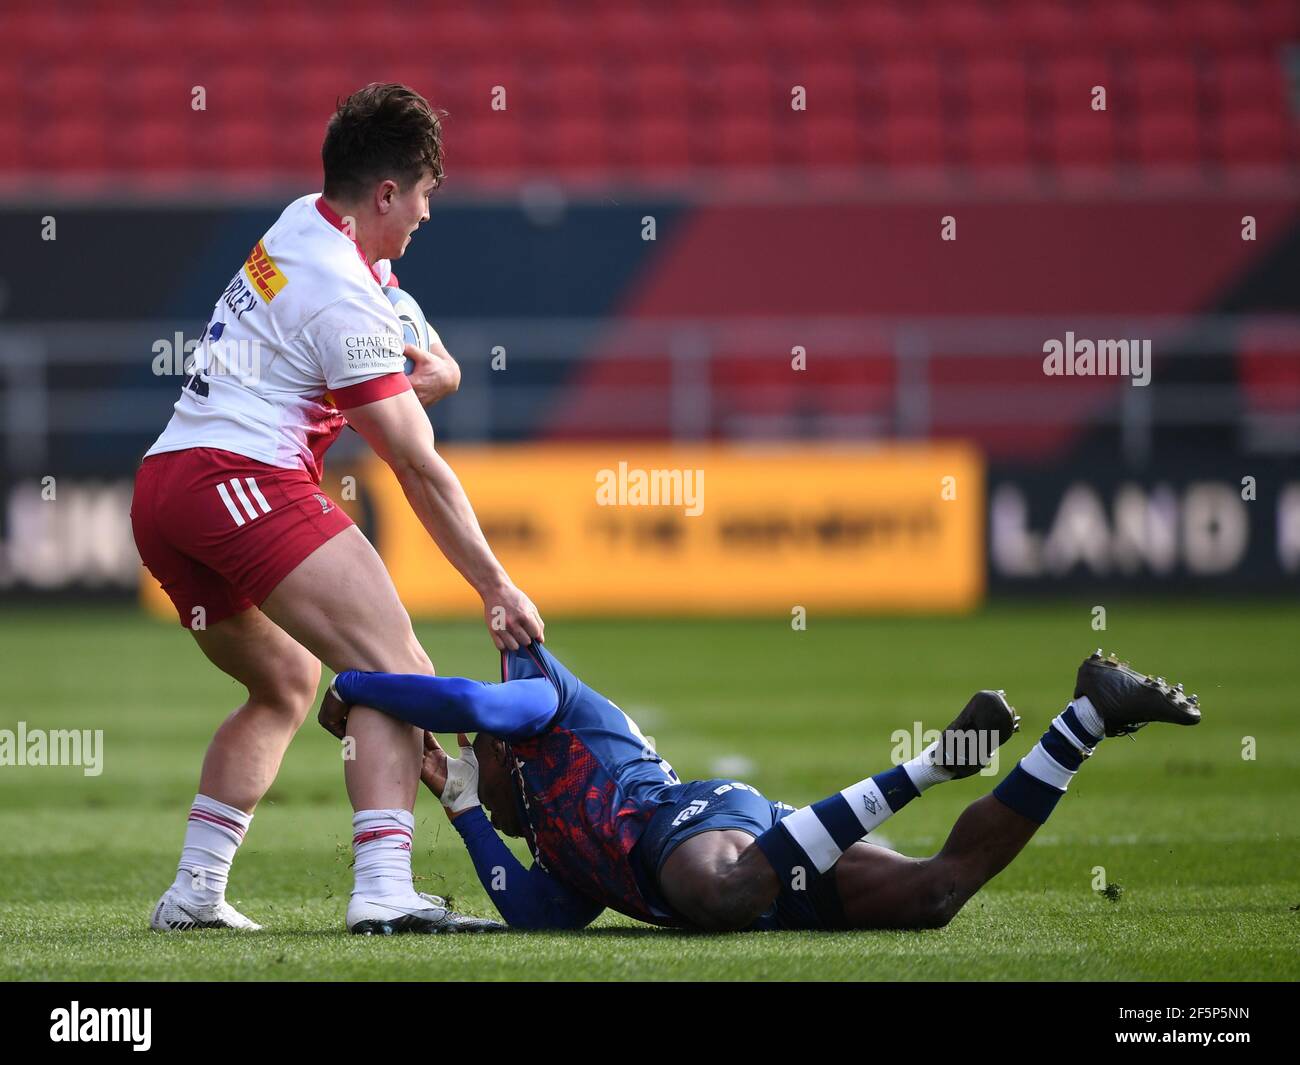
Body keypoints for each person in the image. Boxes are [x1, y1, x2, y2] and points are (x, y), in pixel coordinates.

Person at [132, 83, 541, 935]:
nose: (428, 214)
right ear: (386, 193)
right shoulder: (338, 291)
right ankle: (385, 889)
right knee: (392, 665)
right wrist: (496, 586)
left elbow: (397, 344)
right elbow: (416, 466)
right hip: (237, 479)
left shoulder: (305, 224)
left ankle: (195, 892)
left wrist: (431, 377)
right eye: (425, 194)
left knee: (285, 682)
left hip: (169, 484)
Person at [315, 644, 1200, 931]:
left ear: (501, 747)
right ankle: (1088, 719)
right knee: (934, 892)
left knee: (714, 890)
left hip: (697, 821)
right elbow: (539, 917)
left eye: (480, 765)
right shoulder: (547, 839)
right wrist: (461, 807)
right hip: (761, 847)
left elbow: (469, 698)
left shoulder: (547, 703)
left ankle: (934, 763)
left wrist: (356, 684)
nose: (481, 779)